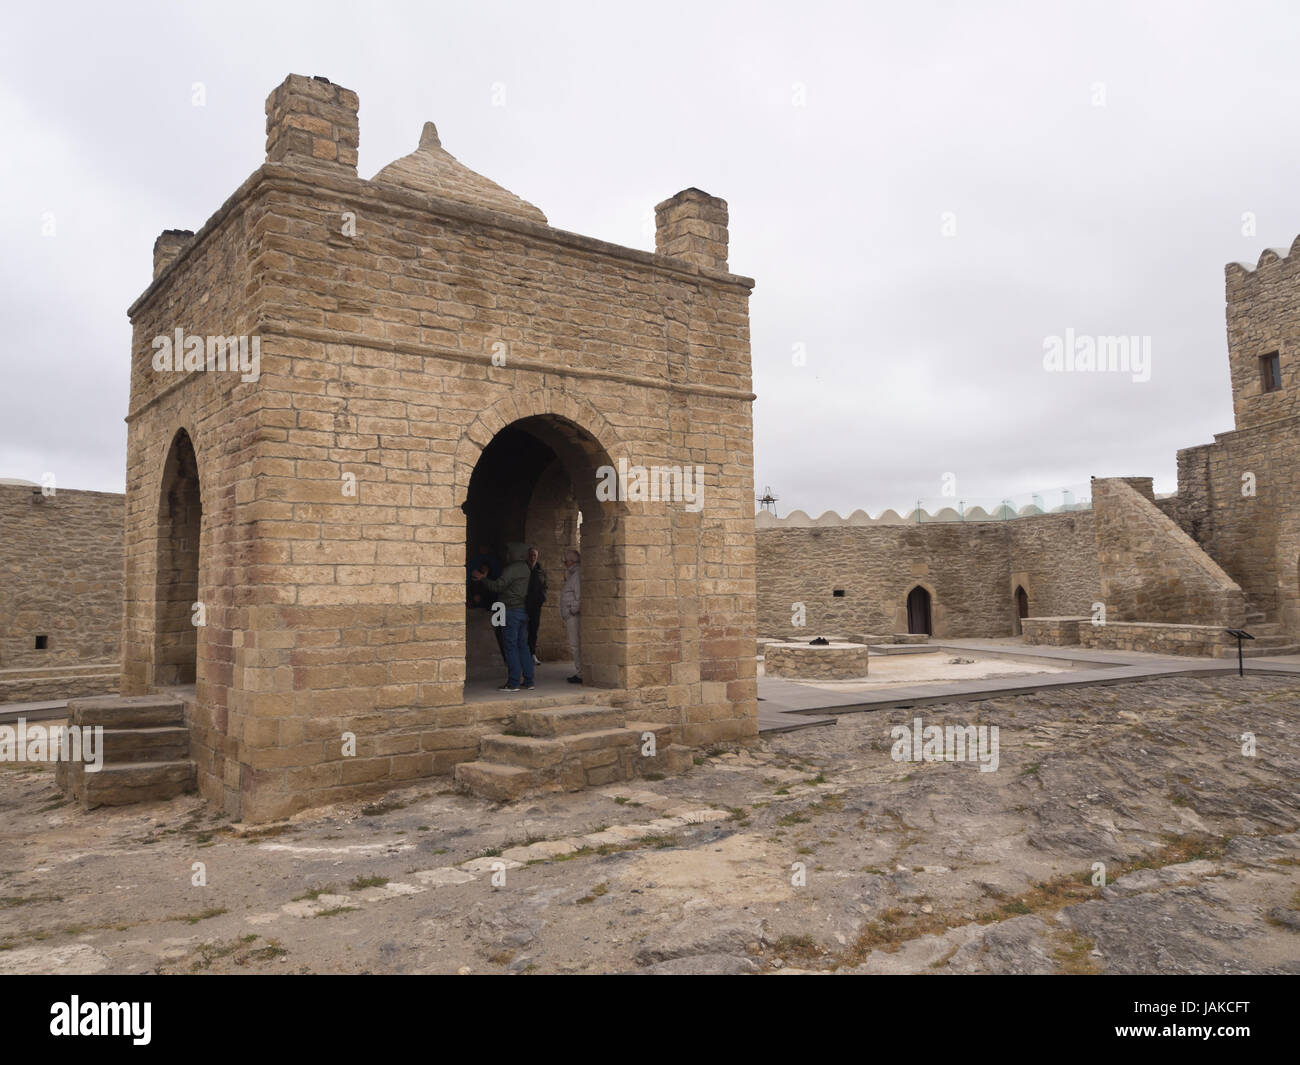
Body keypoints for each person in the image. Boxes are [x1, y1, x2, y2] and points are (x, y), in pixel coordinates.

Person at [472, 541, 534, 692]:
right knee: (522, 646)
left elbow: (498, 586)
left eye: (508, 552)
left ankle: (513, 683)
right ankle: (528, 680)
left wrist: (482, 578)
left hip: (510, 611)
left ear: (514, 553)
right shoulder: (526, 568)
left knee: (510, 646)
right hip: (522, 610)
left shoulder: (512, 568)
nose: (506, 555)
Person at [560, 549, 581, 684]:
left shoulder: (577, 575)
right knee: (575, 645)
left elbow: (579, 596)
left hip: (573, 616)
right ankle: (580, 671)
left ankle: (581, 673)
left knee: (575, 645)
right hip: (571, 615)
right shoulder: (573, 574)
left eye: (565, 561)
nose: (564, 564)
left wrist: (571, 610)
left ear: (572, 562)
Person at [525, 547, 547, 665]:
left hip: (536, 606)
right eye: (531, 555)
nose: (532, 557)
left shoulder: (540, 570)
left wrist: (542, 598)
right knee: (522, 630)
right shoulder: (523, 569)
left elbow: (544, 585)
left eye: (534, 555)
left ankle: (532, 654)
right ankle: (523, 655)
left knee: (534, 630)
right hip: (524, 604)